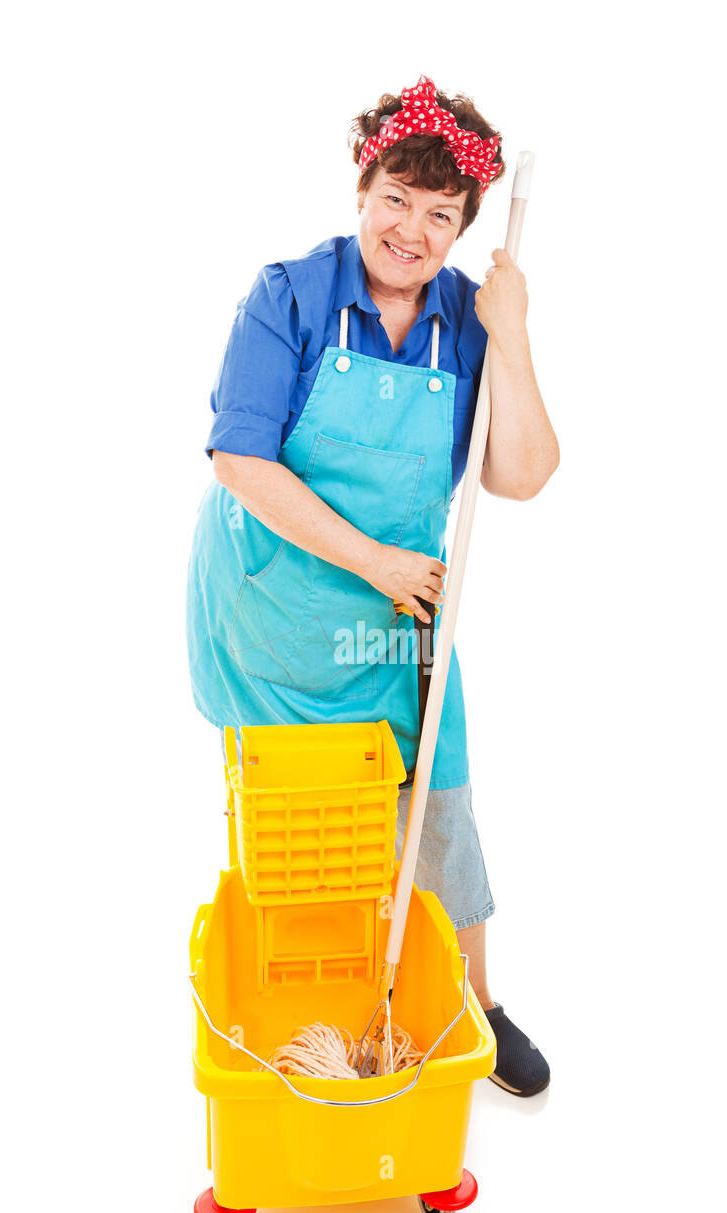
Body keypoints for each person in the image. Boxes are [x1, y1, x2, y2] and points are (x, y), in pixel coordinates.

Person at [186, 76, 560, 1096]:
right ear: (364, 188)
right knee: (309, 824)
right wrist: (374, 562)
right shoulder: (291, 298)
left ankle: (471, 1001)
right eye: (397, 197)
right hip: (279, 614)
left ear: (460, 228)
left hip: (400, 624)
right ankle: (315, 1000)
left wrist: (513, 330)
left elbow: (521, 472)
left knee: (437, 799)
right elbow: (241, 461)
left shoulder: (465, 321)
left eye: (441, 215)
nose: (412, 229)